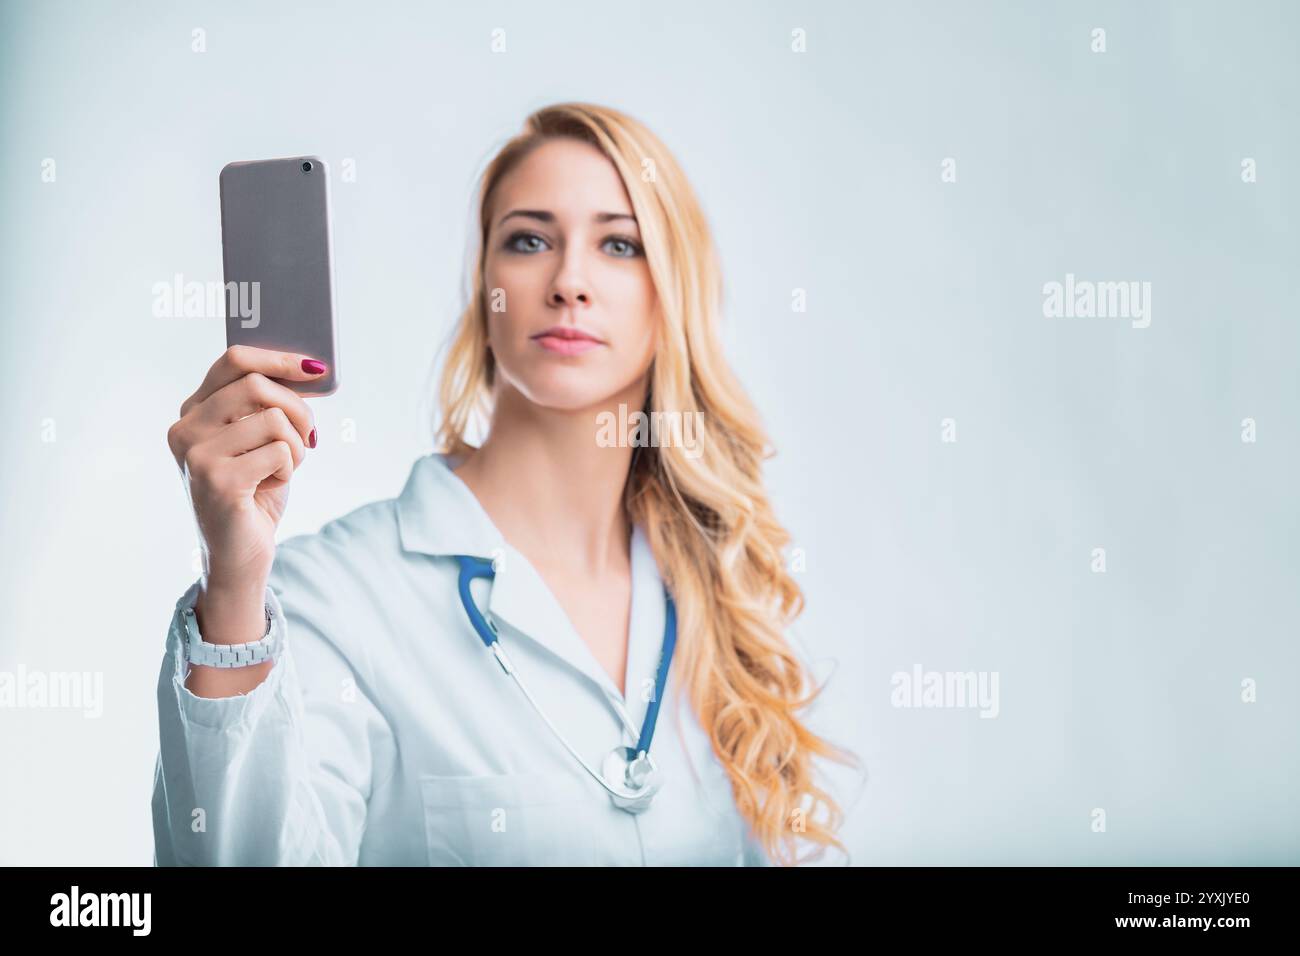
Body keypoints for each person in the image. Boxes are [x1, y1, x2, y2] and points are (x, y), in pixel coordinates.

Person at [153, 102, 857, 866]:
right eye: (529, 240)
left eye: (619, 244)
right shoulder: (334, 595)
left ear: (671, 294)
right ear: (484, 288)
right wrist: (232, 586)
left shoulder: (715, 592)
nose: (570, 281)